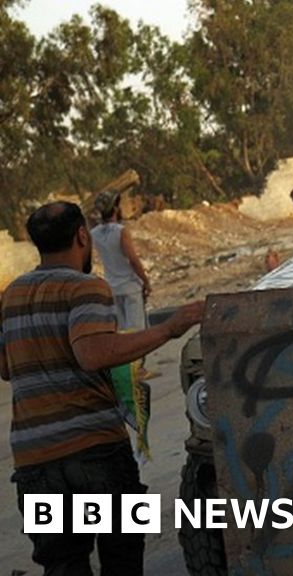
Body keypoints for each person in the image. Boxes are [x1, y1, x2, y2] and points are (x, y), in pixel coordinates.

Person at [0, 201, 204, 576]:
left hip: (34, 462)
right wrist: (169, 328)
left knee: (62, 563)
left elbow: (6, 368)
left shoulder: (10, 295)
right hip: (94, 452)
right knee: (123, 555)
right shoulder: (86, 287)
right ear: (82, 235)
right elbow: (93, 354)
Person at [91, 189, 151, 332]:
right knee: (136, 332)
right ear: (115, 209)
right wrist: (145, 281)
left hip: (112, 288)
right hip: (130, 287)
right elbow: (133, 260)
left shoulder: (94, 233)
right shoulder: (120, 231)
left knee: (122, 331)